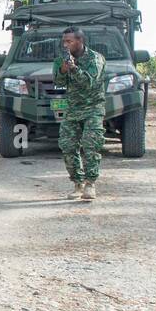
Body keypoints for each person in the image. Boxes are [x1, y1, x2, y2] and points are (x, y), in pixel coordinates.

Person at [54, 25, 106, 201]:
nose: (65, 45)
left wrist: (74, 68)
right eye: (64, 41)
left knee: (91, 144)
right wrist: (62, 69)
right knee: (67, 146)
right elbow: (58, 82)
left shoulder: (95, 58)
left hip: (93, 108)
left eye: (69, 41)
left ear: (80, 41)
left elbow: (89, 82)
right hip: (72, 109)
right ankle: (78, 184)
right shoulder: (62, 59)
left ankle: (90, 184)